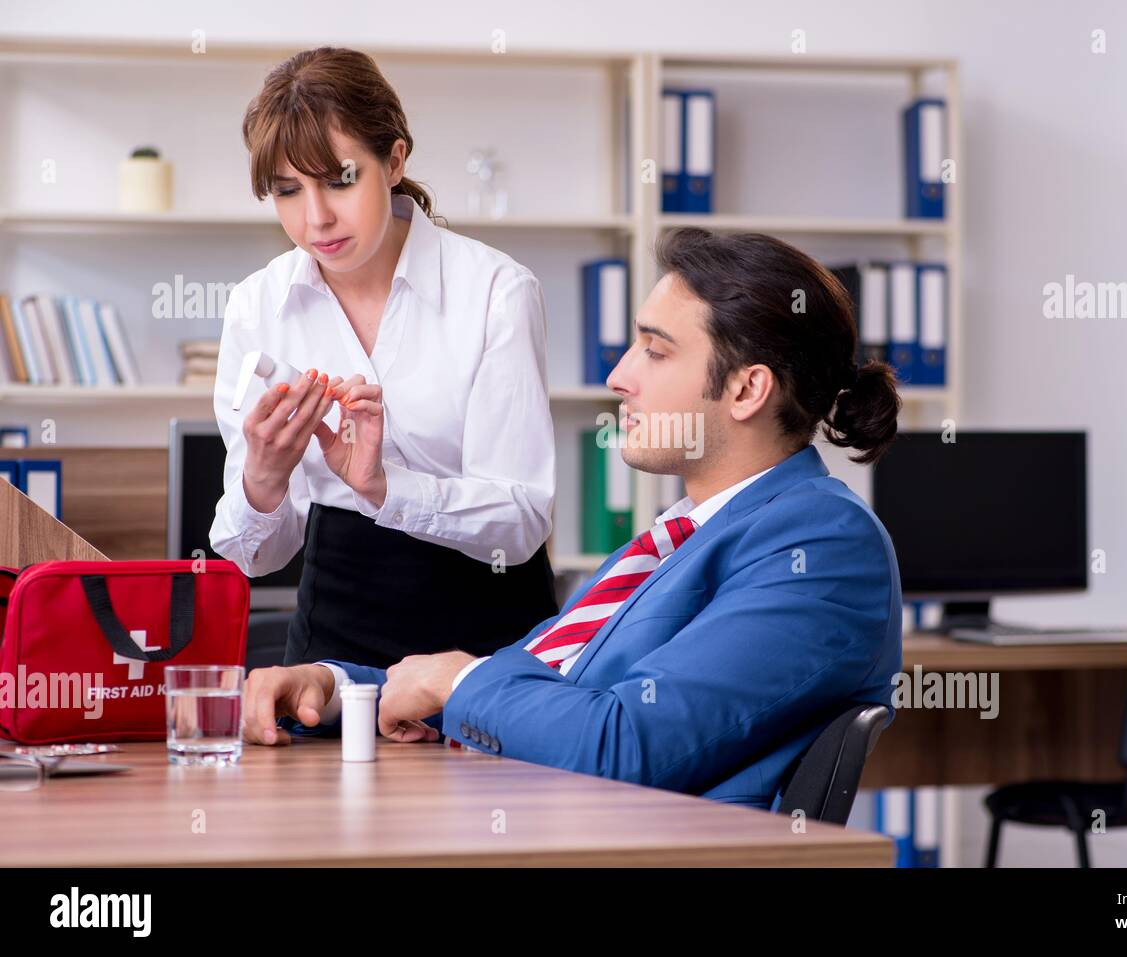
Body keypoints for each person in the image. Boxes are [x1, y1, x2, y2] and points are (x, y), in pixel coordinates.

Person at [243, 227, 904, 812]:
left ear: (747, 389)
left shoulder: (822, 544)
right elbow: (527, 685)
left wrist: (454, 680)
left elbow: (621, 741)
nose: (619, 376)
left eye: (656, 350)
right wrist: (335, 688)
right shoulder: (677, 537)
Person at [209, 47, 558, 671]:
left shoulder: (495, 292)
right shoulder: (255, 307)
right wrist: (261, 481)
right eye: (288, 191)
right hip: (336, 639)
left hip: (487, 643)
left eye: (341, 179)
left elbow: (523, 523)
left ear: (394, 161)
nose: (316, 218)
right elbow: (252, 559)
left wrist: (384, 486)